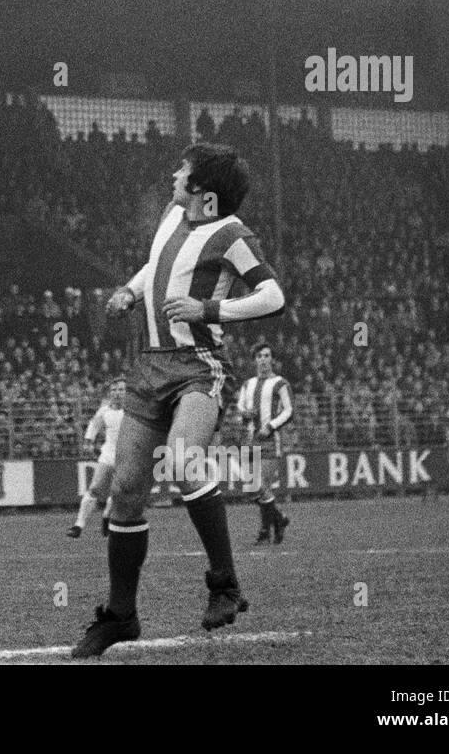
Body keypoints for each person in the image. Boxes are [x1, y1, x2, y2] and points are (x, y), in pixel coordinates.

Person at [72, 142, 286, 658]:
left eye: (182, 171)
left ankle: (225, 584)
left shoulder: (233, 235)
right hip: (148, 367)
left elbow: (273, 296)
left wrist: (207, 309)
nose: (173, 175)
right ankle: (121, 615)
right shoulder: (173, 215)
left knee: (186, 461)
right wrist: (129, 290)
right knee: (125, 490)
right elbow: (157, 265)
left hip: (197, 367)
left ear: (204, 194)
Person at [237, 342, 293, 544]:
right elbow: (239, 409)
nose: (263, 359)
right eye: (259, 355)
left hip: (269, 440)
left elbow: (289, 411)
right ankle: (279, 520)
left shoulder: (280, 383)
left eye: (266, 355)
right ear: (255, 360)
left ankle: (264, 531)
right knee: (254, 488)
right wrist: (244, 414)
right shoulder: (247, 384)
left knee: (262, 486)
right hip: (249, 441)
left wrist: (270, 426)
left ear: (272, 359)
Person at [67, 379, 126, 539]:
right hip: (108, 455)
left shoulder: (133, 411)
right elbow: (94, 425)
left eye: (121, 390)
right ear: (110, 393)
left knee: (119, 492)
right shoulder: (104, 411)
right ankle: (78, 525)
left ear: (126, 392)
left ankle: (107, 516)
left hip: (127, 457)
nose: (117, 393)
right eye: (114, 390)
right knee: (94, 489)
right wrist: (88, 441)